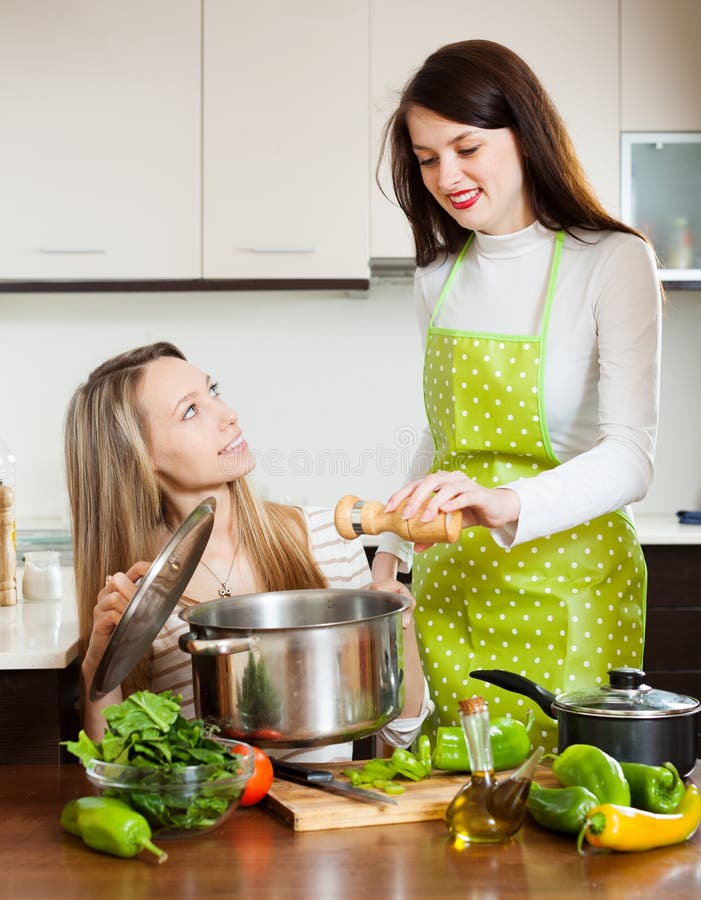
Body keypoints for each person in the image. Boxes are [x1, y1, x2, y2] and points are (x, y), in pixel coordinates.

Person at [371, 40, 662, 751]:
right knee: (463, 800)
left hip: (572, 589)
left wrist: (506, 505)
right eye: (426, 157)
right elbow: (445, 438)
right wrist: (387, 553)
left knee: (565, 803)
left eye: (466, 147)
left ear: (524, 134)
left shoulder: (612, 261)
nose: (447, 175)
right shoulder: (438, 275)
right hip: (454, 586)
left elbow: (629, 458)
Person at [65, 341, 432, 761]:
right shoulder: (141, 602)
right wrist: (99, 668)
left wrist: (398, 623)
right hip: (217, 822)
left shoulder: (326, 539)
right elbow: (115, 768)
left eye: (213, 391)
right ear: (140, 457)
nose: (228, 414)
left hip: (324, 817)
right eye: (190, 411)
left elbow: (402, 731)